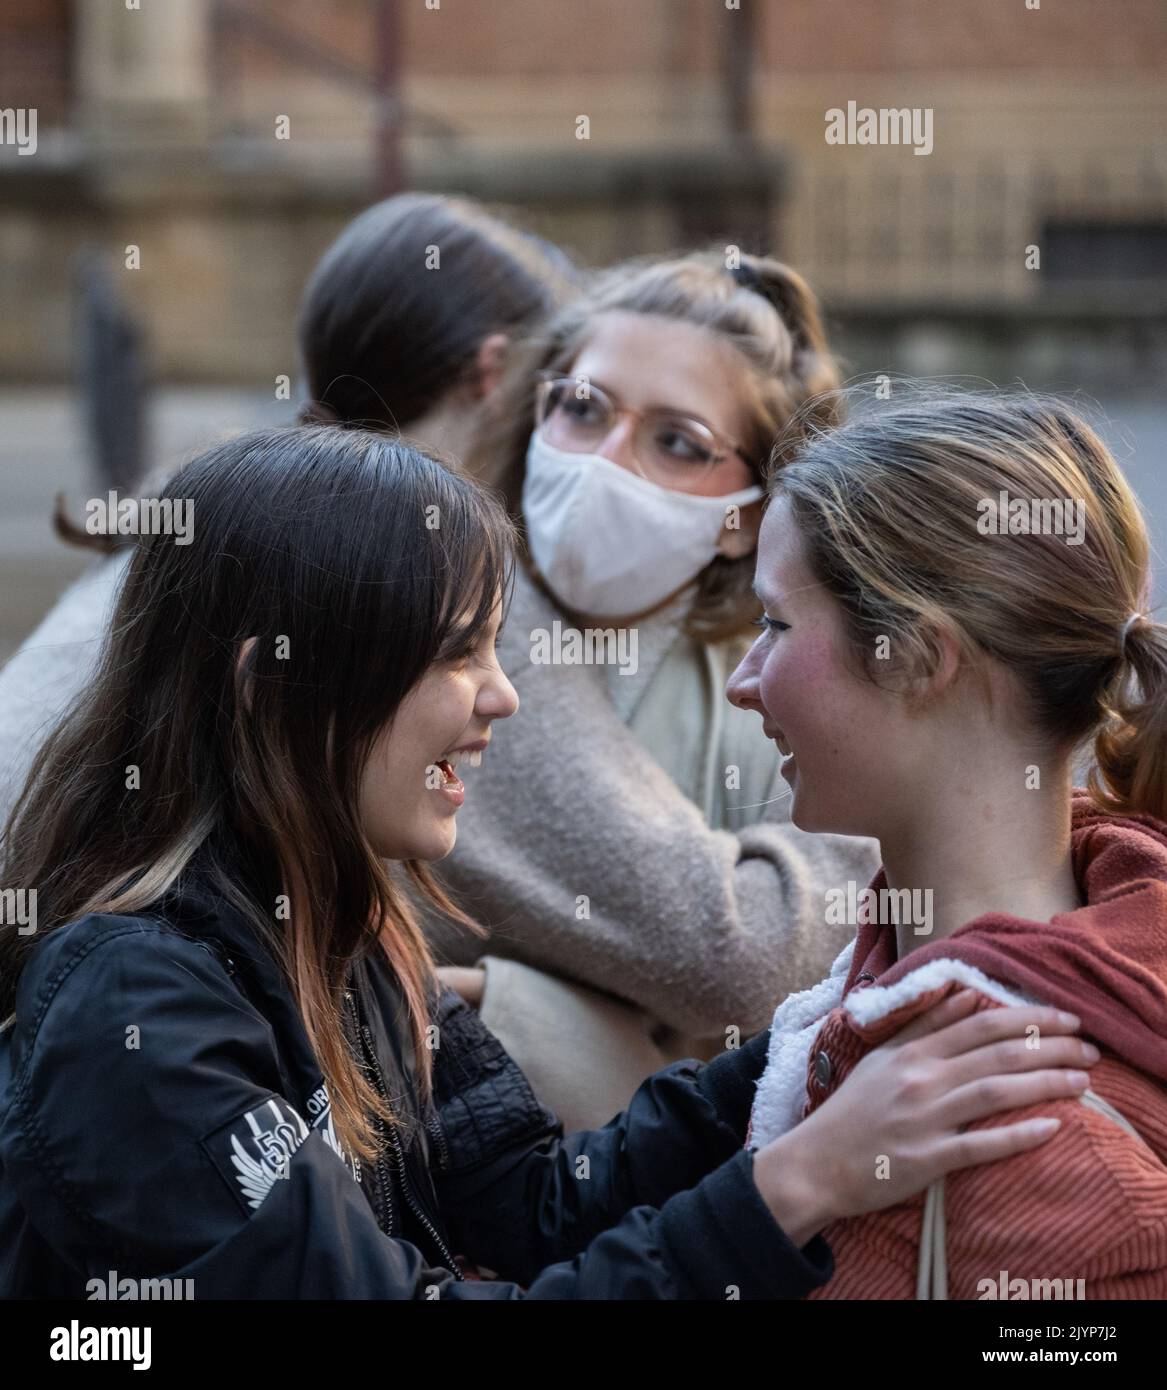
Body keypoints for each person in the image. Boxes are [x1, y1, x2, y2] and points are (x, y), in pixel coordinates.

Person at [0, 426, 1100, 1299]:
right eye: (454, 652)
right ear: (271, 688)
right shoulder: (135, 1010)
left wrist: (818, 1044)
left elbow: (531, 1209)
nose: (503, 697)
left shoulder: (349, 935)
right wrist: (797, 1184)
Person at [426, 250, 880, 1129]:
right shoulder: (434, 620)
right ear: (535, 408)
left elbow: (766, 1015)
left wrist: (500, 1000)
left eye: (677, 443)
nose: (604, 461)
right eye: (582, 408)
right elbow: (743, 964)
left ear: (745, 516)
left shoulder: (768, 696)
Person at [729, 389, 1167, 1299]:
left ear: (919, 658)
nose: (744, 680)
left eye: (773, 624)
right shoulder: (897, 987)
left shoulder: (1051, 1161)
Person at [0, 191, 576, 825]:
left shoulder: (229, 501)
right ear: (492, 374)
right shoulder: (389, 566)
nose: (555, 435)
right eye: (551, 395)